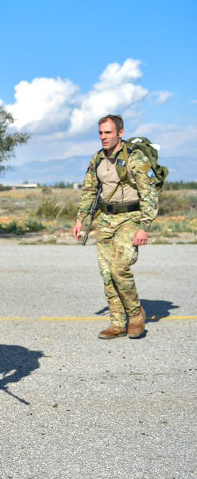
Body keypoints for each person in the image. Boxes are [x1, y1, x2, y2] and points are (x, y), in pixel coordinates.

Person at [72, 114, 158, 340]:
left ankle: (136, 314)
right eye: (100, 133)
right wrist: (80, 219)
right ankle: (117, 323)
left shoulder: (136, 158)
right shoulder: (97, 158)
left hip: (130, 218)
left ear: (120, 133)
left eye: (108, 132)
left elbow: (149, 194)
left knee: (120, 268)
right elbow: (89, 190)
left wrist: (143, 226)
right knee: (107, 272)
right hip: (105, 220)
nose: (103, 137)